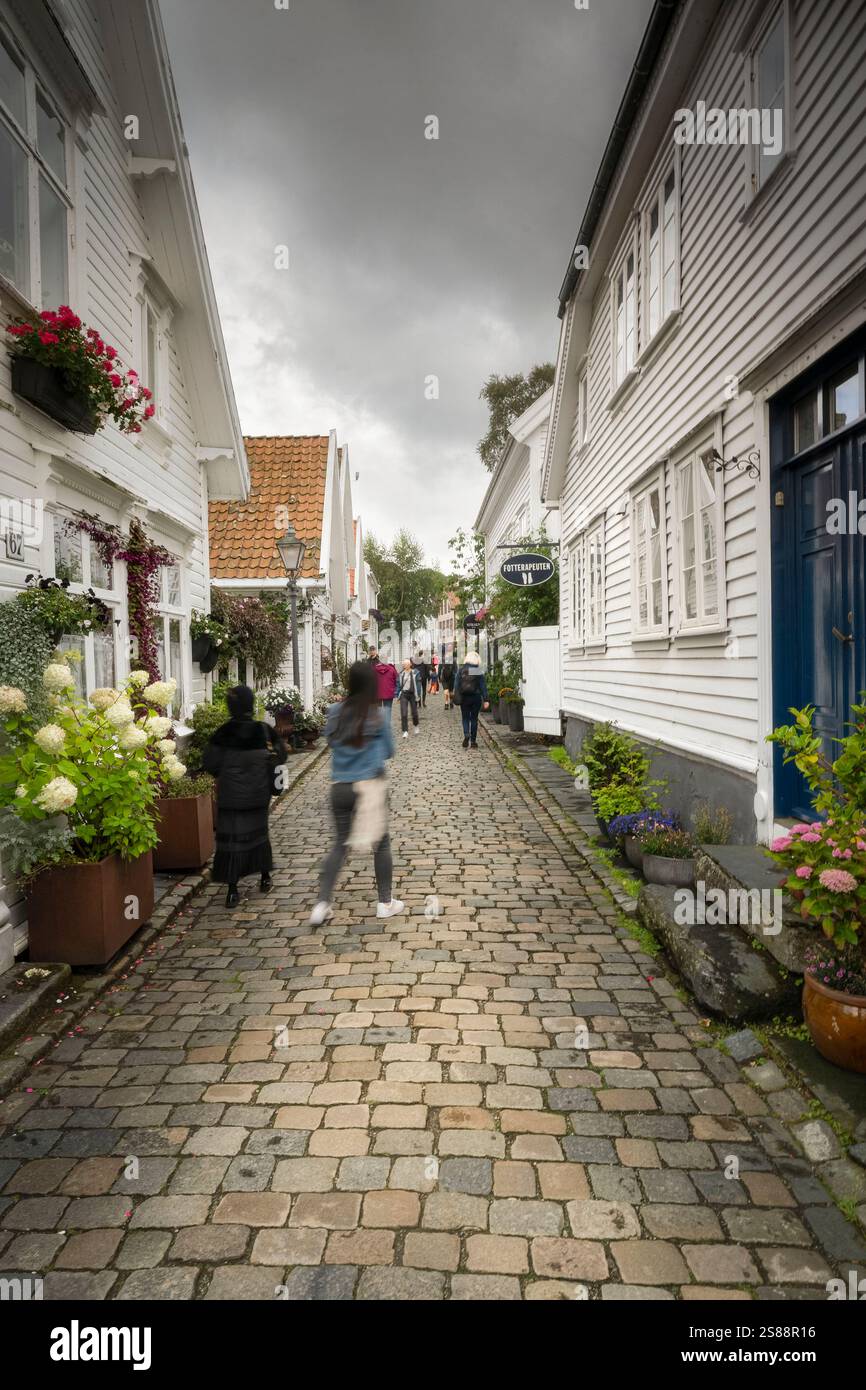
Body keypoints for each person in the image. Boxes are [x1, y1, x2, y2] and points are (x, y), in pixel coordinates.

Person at [309, 661, 404, 925]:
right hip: (370, 786)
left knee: (339, 844)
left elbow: (329, 741)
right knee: (381, 843)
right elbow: (388, 752)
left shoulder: (335, 711)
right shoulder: (378, 715)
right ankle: (385, 902)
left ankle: (322, 904)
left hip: (340, 787)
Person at [203, 685, 287, 908]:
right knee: (259, 835)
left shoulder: (223, 733)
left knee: (231, 840)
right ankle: (265, 876)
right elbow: (282, 755)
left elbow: (210, 764)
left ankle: (232, 890)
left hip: (231, 798)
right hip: (258, 796)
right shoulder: (264, 730)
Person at [453, 651, 489, 749]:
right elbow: (483, 687)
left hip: (464, 698)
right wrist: (486, 699)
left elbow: (456, 685)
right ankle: (473, 741)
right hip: (476, 698)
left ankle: (466, 734)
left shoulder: (461, 670)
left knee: (465, 718)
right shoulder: (478, 670)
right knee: (474, 719)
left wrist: (456, 696)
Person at [370, 650, 398, 715]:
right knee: (387, 712)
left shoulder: (374, 669)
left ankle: (379, 724)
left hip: (377, 693)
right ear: (387, 659)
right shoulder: (392, 669)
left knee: (378, 713)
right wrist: (395, 690)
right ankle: (386, 724)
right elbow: (396, 680)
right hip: (389, 693)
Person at [398, 659, 420, 737]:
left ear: (410, 664)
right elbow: (399, 685)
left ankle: (416, 725)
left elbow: (418, 685)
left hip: (412, 694)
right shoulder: (401, 674)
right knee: (404, 713)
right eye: (404, 664)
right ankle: (405, 731)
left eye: (406, 664)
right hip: (404, 694)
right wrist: (398, 694)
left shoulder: (415, 673)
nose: (405, 666)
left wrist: (418, 695)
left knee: (414, 713)